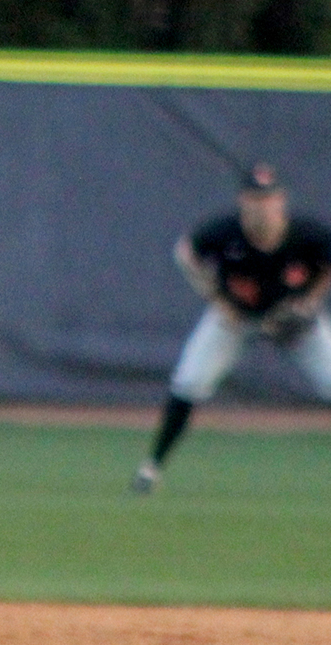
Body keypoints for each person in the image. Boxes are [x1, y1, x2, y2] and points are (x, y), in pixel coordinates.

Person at [130, 163, 331, 494]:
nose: (261, 206)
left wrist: (311, 299)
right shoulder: (225, 233)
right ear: (242, 201)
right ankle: (151, 468)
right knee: (190, 380)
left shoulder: (307, 235)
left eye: (267, 198)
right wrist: (217, 298)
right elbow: (185, 253)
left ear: (281, 200)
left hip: (292, 322)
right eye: (253, 198)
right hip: (236, 319)